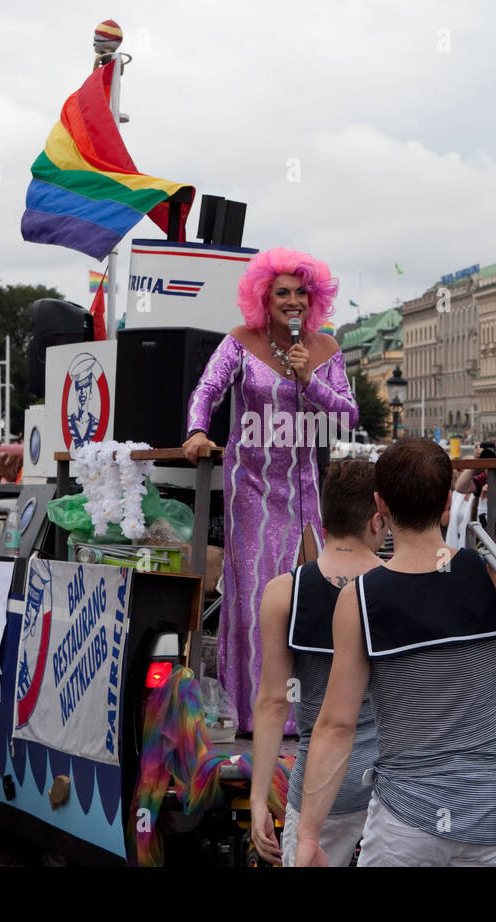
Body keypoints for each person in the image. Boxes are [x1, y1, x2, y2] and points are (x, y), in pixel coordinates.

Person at [294, 440, 496, 866]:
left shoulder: (361, 597)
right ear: (445, 501)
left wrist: (309, 833)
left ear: (379, 505)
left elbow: (335, 727)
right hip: (488, 817)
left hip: (405, 821)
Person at [182, 248, 357, 731]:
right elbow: (207, 390)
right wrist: (198, 431)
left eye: (302, 292)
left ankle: (309, 714)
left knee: (317, 596)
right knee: (259, 597)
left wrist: (310, 381)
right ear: (264, 297)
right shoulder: (241, 342)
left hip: (306, 492)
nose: (293, 300)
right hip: (253, 490)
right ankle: (257, 715)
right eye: (283, 292)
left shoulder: (325, 348)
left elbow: (347, 416)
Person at [250, 461, 384, 866]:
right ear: (379, 519)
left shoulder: (282, 593)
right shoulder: (401, 587)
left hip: (319, 788)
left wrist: (258, 798)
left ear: (323, 515)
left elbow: (273, 703)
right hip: (391, 786)